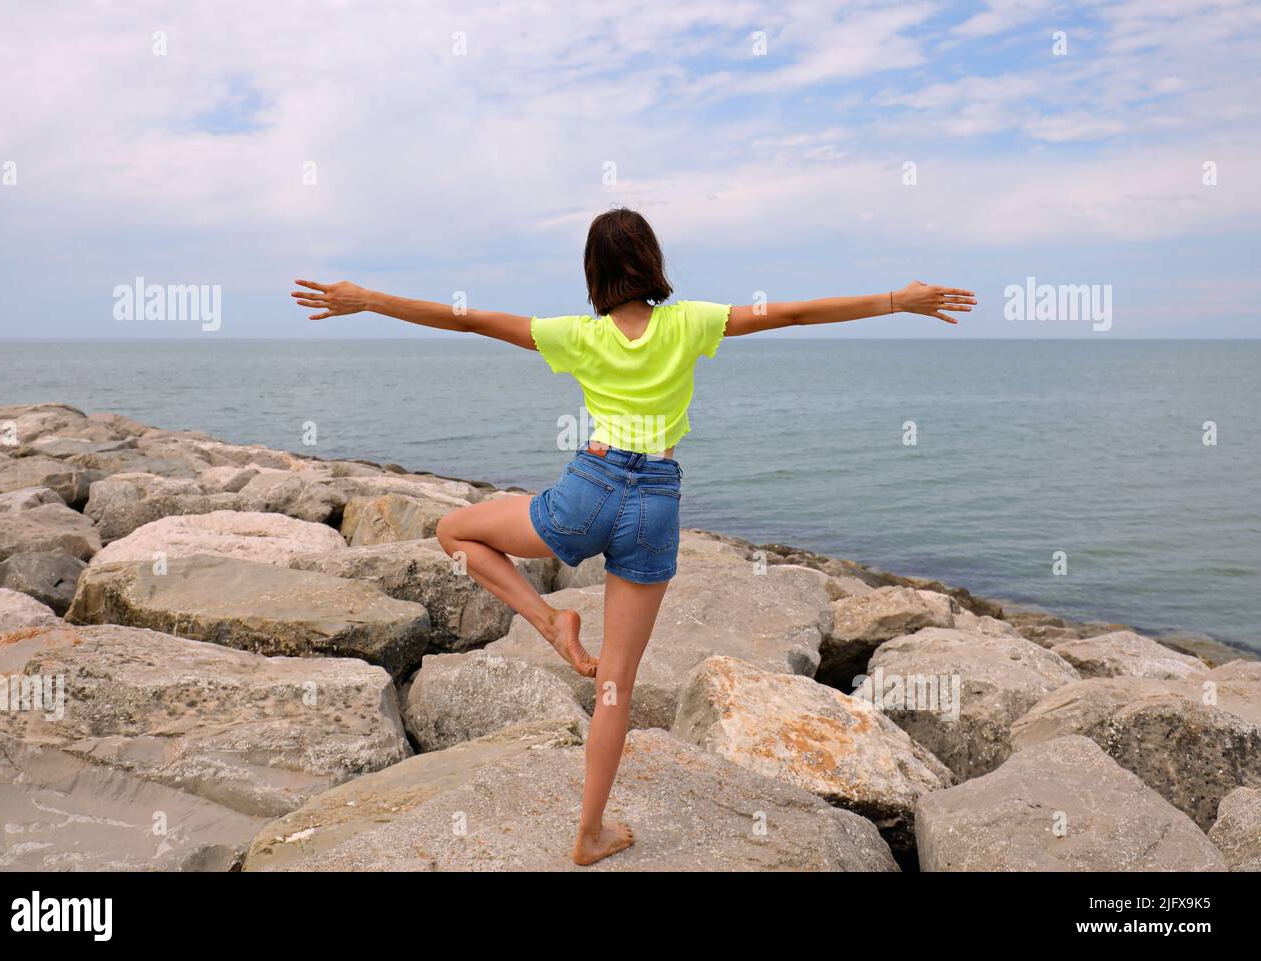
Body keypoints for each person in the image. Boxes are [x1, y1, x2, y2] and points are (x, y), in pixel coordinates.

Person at [292, 207, 975, 865]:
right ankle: (588, 833)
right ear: (652, 261)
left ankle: (547, 619)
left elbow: (467, 319)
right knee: (615, 685)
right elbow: (792, 313)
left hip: (585, 494)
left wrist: (367, 298)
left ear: (593, 271)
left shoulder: (577, 336)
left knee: (453, 529)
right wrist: (898, 298)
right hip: (654, 503)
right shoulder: (688, 324)